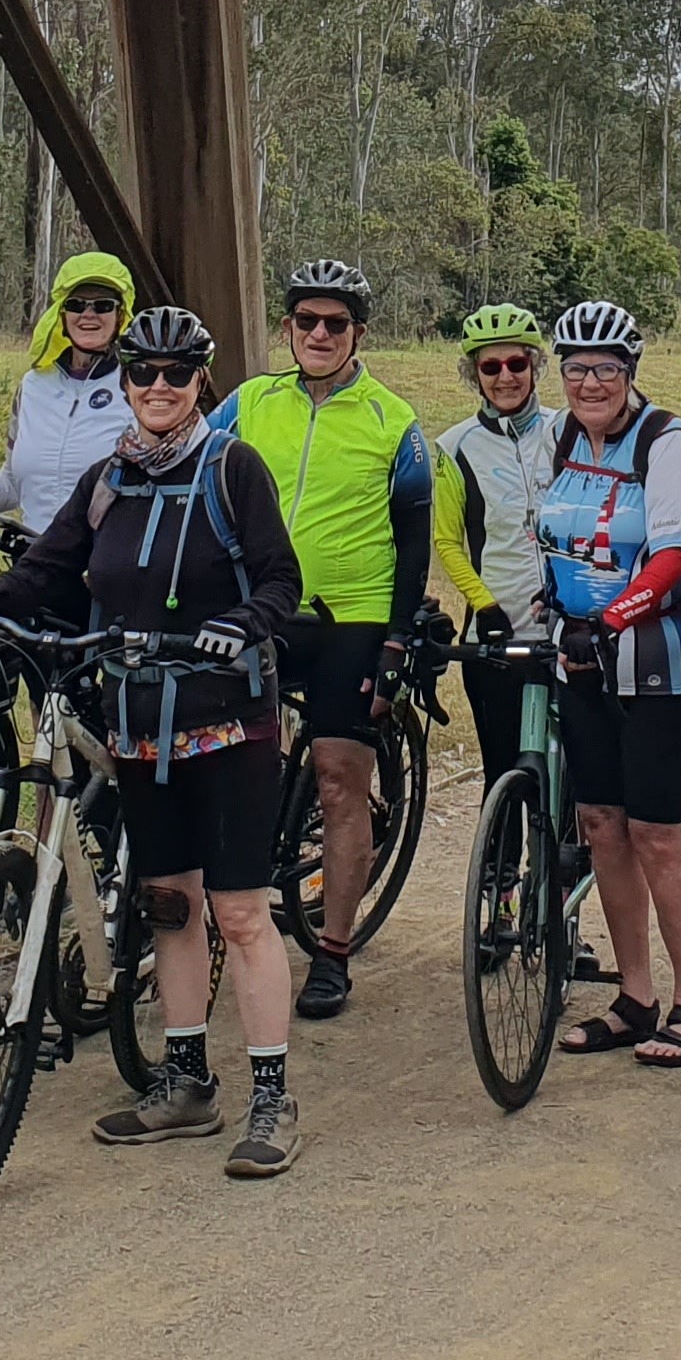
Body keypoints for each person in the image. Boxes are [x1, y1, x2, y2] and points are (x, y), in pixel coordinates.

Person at [0, 306, 311, 1179]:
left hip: (228, 718)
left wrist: (242, 623)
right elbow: (43, 573)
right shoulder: (108, 478)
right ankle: (187, 1084)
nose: (159, 387)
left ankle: (272, 1097)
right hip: (138, 721)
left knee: (240, 912)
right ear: (125, 382)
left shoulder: (232, 467)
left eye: (177, 374)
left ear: (200, 382)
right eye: (144, 373)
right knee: (169, 903)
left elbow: (282, 579)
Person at [206, 259, 431, 1021]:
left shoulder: (393, 421)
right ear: (288, 328)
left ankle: (332, 952)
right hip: (260, 609)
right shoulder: (248, 403)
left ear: (359, 334)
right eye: (308, 321)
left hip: (351, 618)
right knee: (230, 766)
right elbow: (188, 471)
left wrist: (396, 643)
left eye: (337, 324)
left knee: (339, 775)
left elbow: (413, 545)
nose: (321, 334)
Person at [534, 298, 681, 1072]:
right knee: (601, 823)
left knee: (656, 829)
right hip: (583, 656)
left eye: (606, 368)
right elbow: (548, 543)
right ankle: (635, 995)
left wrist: (612, 619)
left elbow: (677, 556)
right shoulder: (559, 437)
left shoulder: (666, 443)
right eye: (576, 367)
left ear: (631, 370)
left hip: (663, 661)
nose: (590, 382)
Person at [430, 303, 557, 785]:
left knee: (582, 780)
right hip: (496, 634)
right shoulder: (454, 446)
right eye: (491, 367)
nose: (506, 377)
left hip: (564, 629)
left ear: (534, 366)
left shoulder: (566, 431)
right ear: (475, 374)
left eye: (517, 364)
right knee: (501, 773)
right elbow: (447, 540)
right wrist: (484, 605)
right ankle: (500, 840)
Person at [0, 251, 134, 536]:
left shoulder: (138, 387)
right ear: (62, 314)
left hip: (103, 557)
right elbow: (12, 482)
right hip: (32, 555)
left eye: (102, 305)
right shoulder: (33, 386)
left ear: (120, 315)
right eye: (76, 304)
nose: (88, 314)